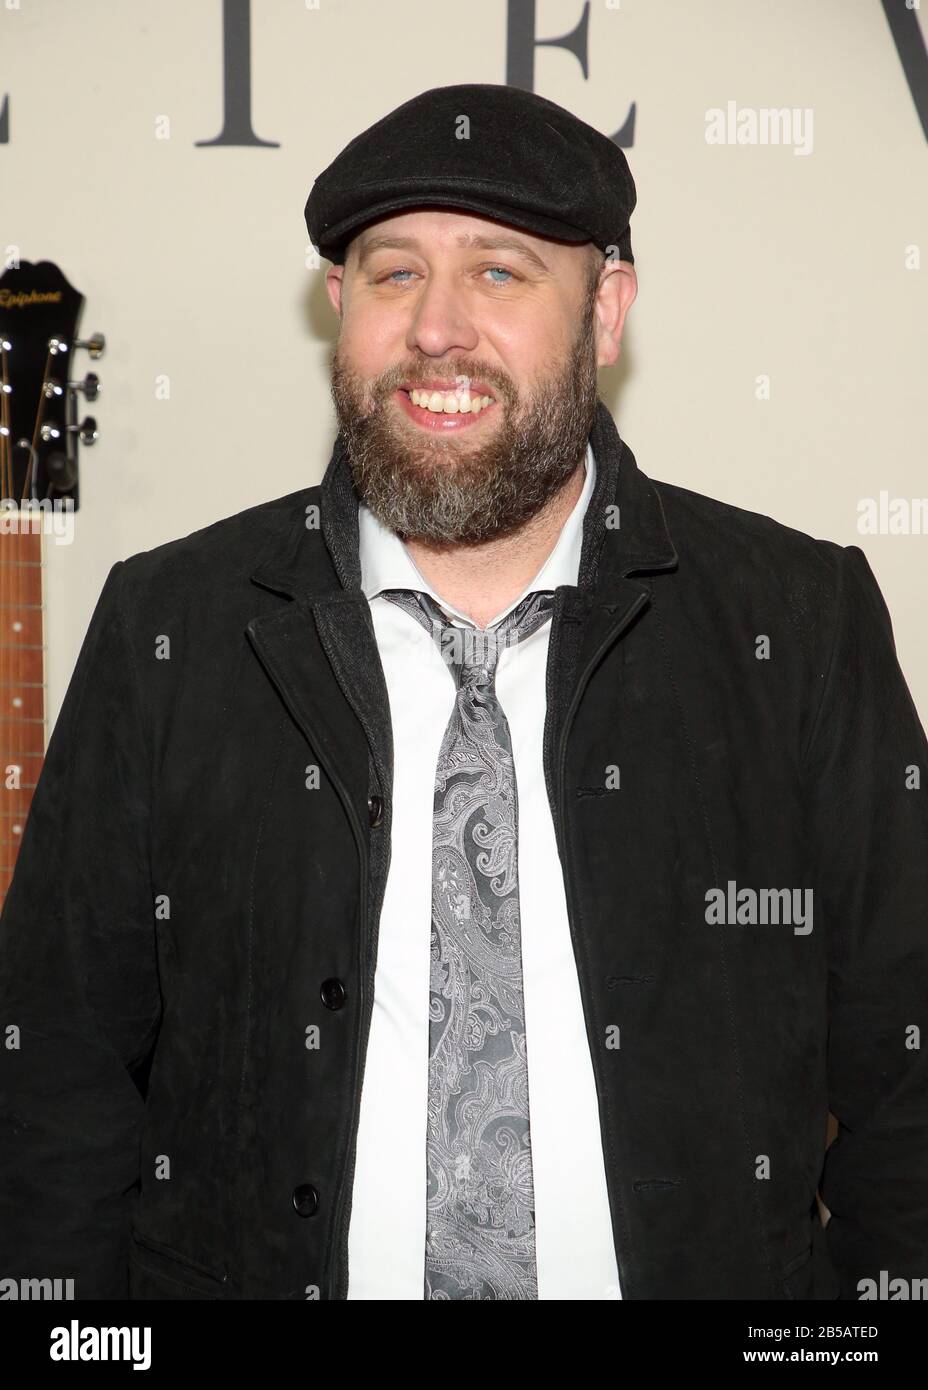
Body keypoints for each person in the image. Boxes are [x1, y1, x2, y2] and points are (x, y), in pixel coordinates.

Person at [0, 83, 926, 1302]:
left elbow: (907, 1081)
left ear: (606, 312)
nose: (437, 328)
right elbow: (56, 1078)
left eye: (499, 272)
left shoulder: (796, 623)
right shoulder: (169, 624)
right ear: (339, 306)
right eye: (393, 274)